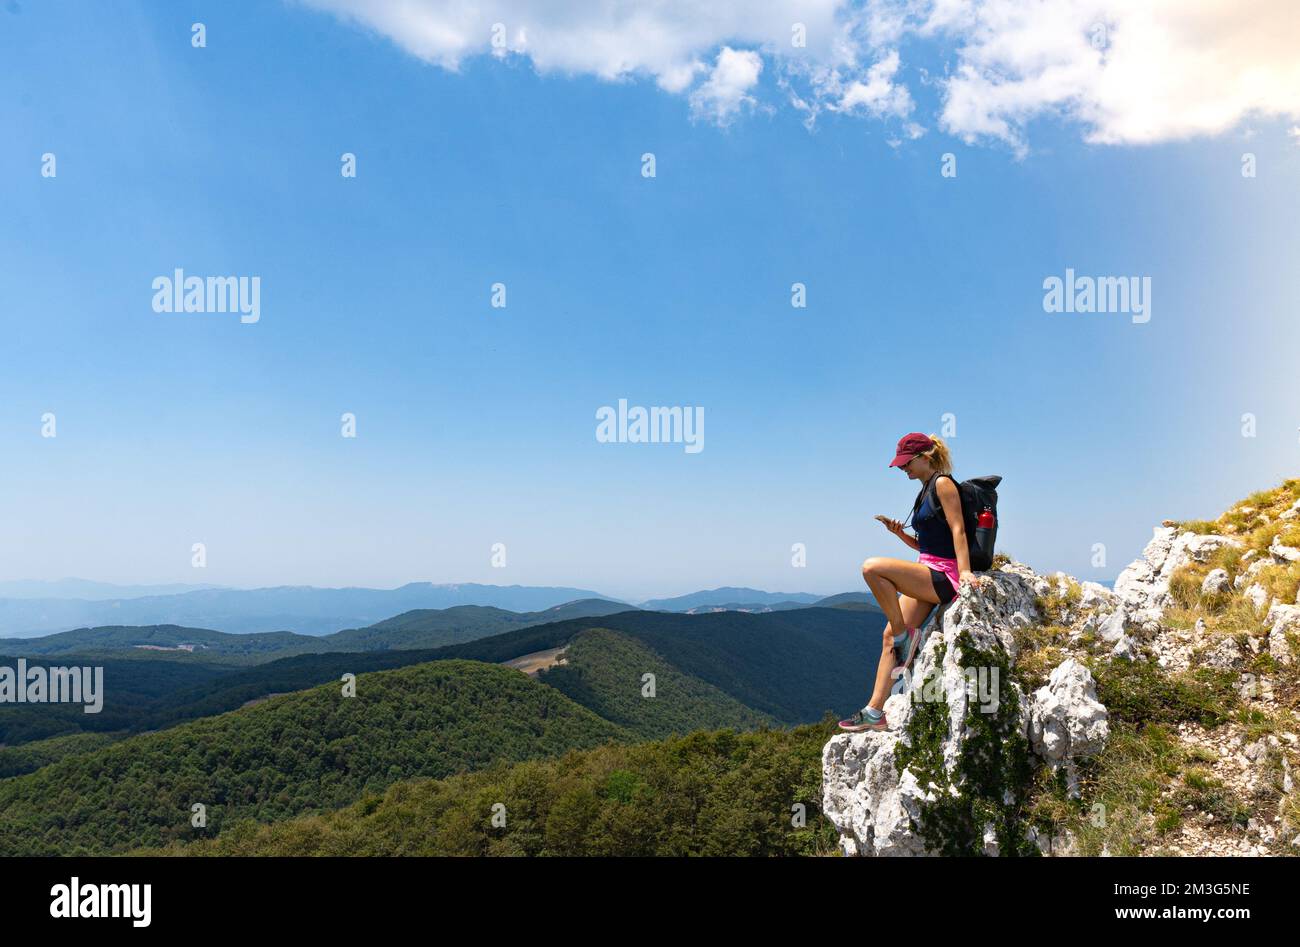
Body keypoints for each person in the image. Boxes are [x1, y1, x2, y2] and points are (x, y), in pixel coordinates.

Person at [838, 432, 985, 732]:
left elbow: (958, 530)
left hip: (945, 576)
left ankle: (907, 635)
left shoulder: (943, 484)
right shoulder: (924, 491)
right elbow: (929, 546)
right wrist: (900, 535)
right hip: (928, 569)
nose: (903, 468)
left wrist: (966, 572)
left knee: (872, 568)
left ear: (925, 457)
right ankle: (874, 712)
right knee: (887, 637)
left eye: (907, 463)